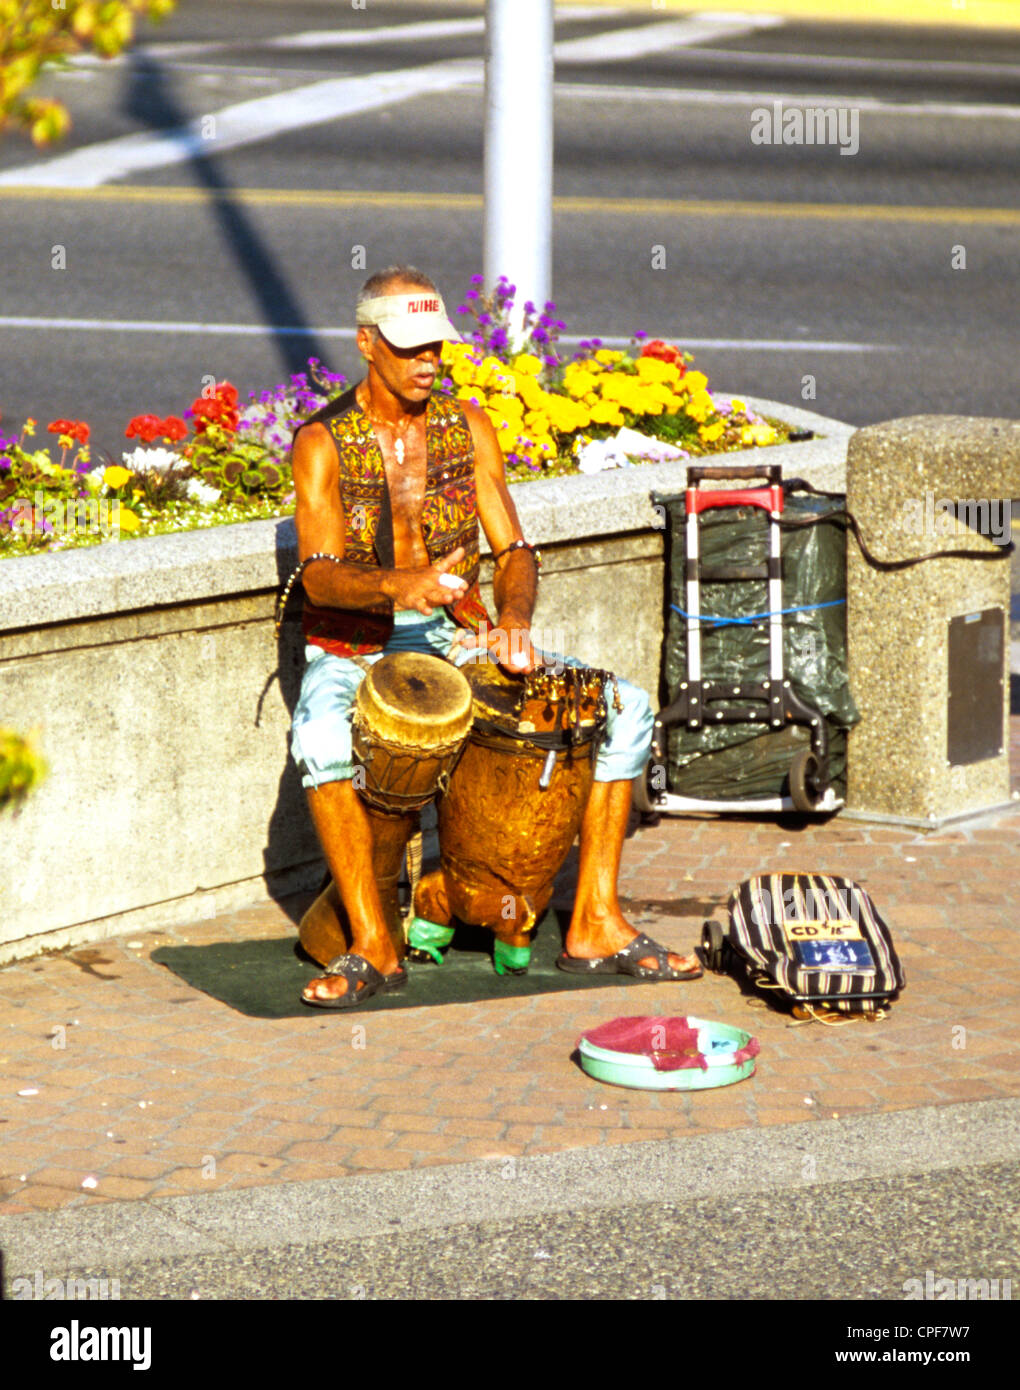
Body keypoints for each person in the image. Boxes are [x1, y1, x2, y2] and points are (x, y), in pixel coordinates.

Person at [289, 265, 702, 1006]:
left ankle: (597, 923)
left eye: (435, 348)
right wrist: (395, 584)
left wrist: (512, 622)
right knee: (319, 740)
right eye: (410, 348)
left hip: (458, 636)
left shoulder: (467, 425)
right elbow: (319, 576)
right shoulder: (320, 440)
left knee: (627, 706)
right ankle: (372, 944)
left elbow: (513, 551)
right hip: (357, 647)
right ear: (365, 343)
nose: (428, 362)